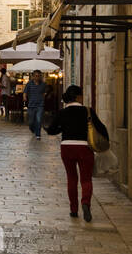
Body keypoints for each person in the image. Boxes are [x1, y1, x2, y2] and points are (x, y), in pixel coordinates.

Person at [44, 84, 109, 222]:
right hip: (84, 148)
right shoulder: (87, 111)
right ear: (78, 97)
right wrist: (105, 143)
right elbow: (101, 128)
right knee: (86, 179)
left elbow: (52, 130)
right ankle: (85, 203)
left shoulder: (62, 112)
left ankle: (73, 210)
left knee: (72, 178)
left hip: (67, 148)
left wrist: (59, 128)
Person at [23, 72, 47, 138]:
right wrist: (24, 97)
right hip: (31, 105)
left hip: (40, 105)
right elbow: (25, 92)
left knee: (38, 119)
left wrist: (42, 99)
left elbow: (44, 93)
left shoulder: (43, 84)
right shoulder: (29, 84)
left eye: (39, 76)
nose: (37, 77)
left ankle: (38, 134)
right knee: (31, 121)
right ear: (33, 76)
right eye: (36, 76)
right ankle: (32, 129)